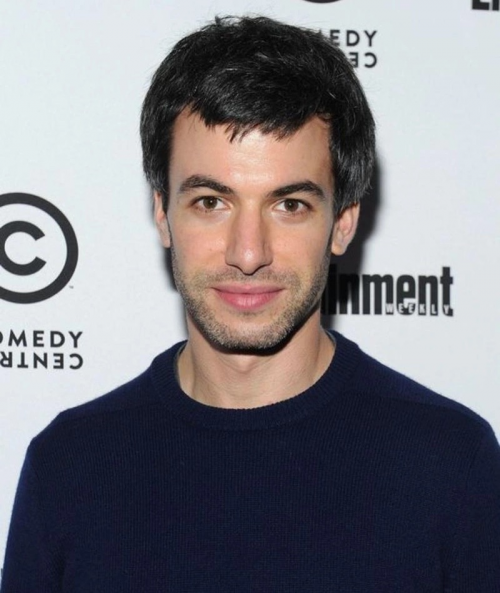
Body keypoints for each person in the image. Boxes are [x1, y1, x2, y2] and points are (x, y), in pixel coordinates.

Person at [2, 15, 499, 592]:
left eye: (289, 205)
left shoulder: (450, 462)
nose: (247, 253)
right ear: (162, 212)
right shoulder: (68, 466)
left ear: (343, 222)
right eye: (211, 202)